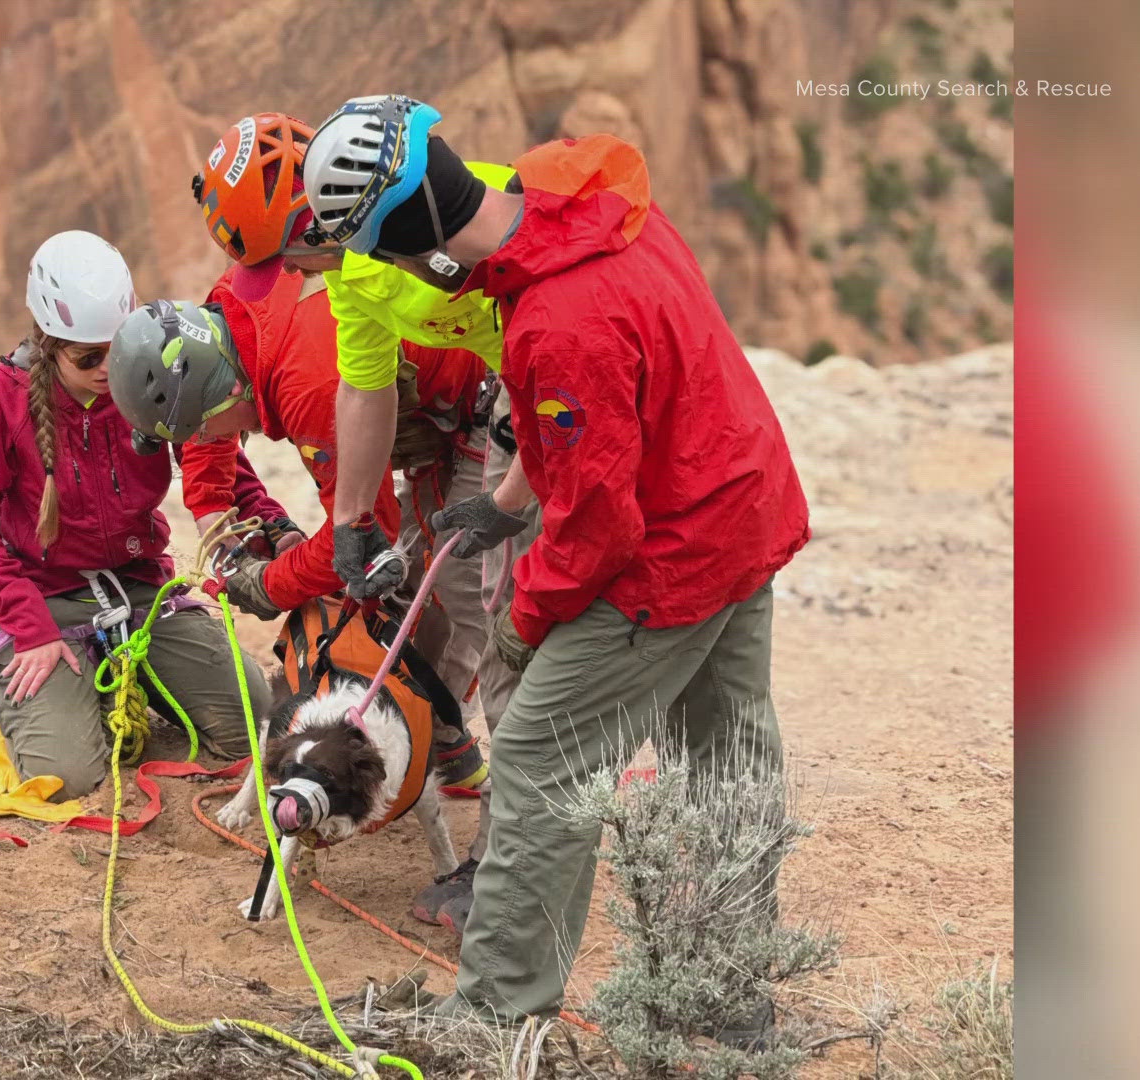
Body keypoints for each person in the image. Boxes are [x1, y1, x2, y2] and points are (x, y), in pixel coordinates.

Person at [300, 96, 811, 1037]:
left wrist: (523, 623)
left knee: (538, 753)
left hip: (677, 551)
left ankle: (496, 1014)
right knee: (726, 753)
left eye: (389, 256)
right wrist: (498, 515)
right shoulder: (583, 196)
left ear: (420, 245)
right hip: (745, 500)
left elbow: (597, 531)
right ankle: (728, 1007)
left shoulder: (554, 322)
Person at [188, 113, 531, 926]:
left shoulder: (307, 360)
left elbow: (370, 523)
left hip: (501, 402)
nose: (287, 278)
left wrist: (279, 576)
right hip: (450, 409)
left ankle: (496, 849)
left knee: (493, 616)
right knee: (420, 595)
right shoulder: (315, 277)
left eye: (289, 260)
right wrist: (245, 527)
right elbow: (357, 406)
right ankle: (430, 749)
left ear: (315, 225)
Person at [104, 272, 491, 791]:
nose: (199, 441)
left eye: (199, 429)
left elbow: (363, 537)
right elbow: (199, 421)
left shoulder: (309, 385)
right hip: (410, 403)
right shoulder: (227, 315)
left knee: (443, 581)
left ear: (229, 397)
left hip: (475, 405)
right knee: (380, 585)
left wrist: (268, 584)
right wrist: (225, 528)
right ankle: (400, 722)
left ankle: (438, 743)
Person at [0, 230, 282, 803]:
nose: (106, 369)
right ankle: (48, 699)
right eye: (87, 358)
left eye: (113, 348)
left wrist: (269, 522)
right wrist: (28, 628)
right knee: (68, 779)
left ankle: (132, 673)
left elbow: (214, 452)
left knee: (256, 724)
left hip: (141, 591)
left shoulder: (151, 369)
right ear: (49, 344)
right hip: (44, 602)